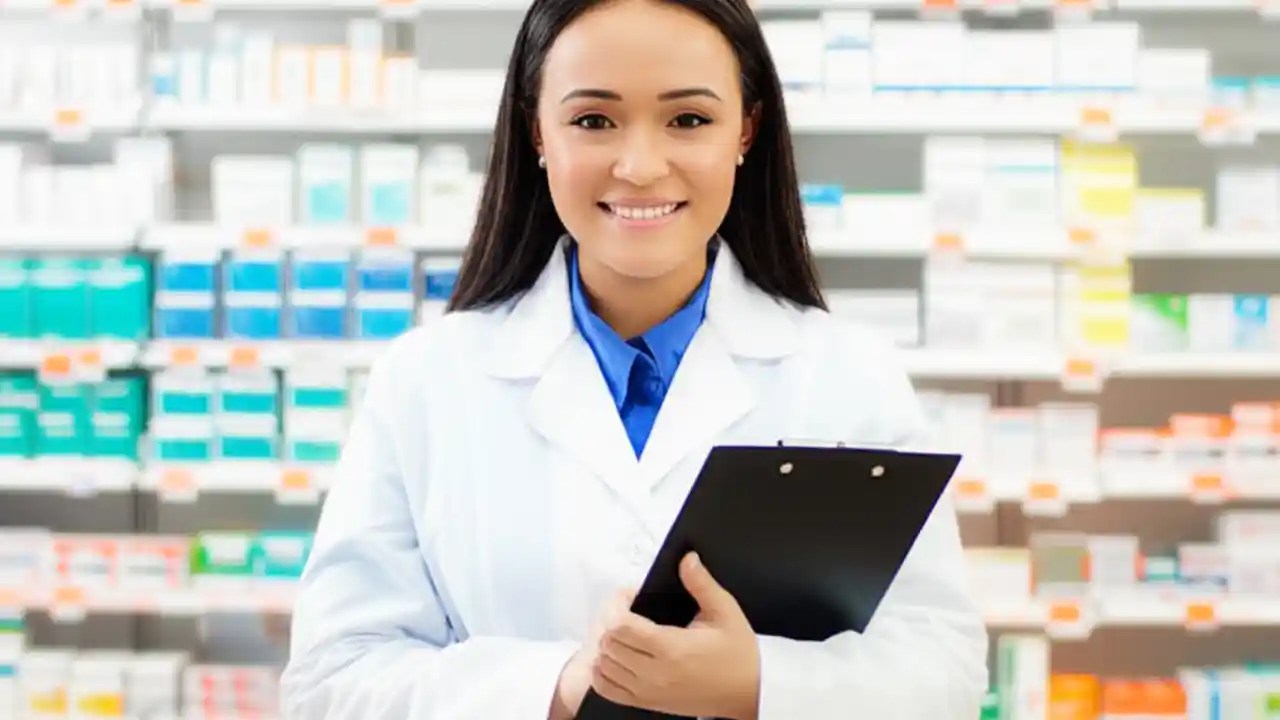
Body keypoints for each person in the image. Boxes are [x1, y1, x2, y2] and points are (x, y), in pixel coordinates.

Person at [279, 0, 989, 716]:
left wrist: (755, 682)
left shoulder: (849, 377)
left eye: (689, 120)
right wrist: (555, 686)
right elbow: (329, 680)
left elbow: (946, 671)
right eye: (593, 120)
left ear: (746, 130)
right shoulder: (425, 381)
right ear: (538, 131)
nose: (641, 166)